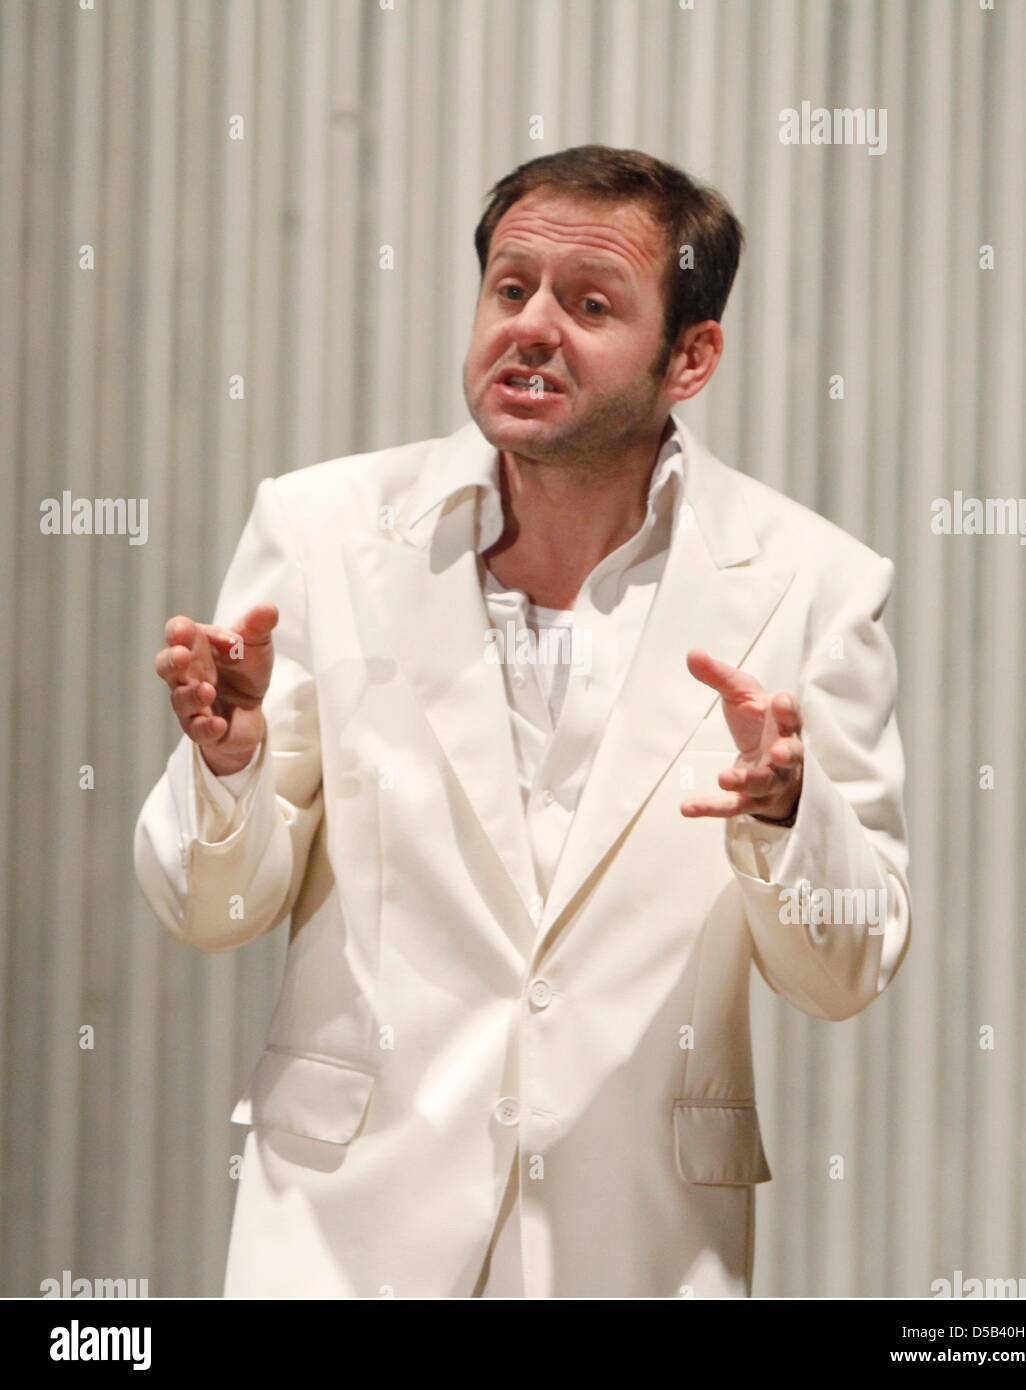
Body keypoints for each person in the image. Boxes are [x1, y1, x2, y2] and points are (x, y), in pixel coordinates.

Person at [134, 144, 911, 1298]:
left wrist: (790, 816)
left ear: (690, 356)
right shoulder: (322, 531)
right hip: (341, 1243)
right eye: (510, 288)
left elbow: (846, 968)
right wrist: (232, 769)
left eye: (590, 303)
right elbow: (211, 910)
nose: (532, 326)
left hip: (638, 1250)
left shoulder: (812, 583)